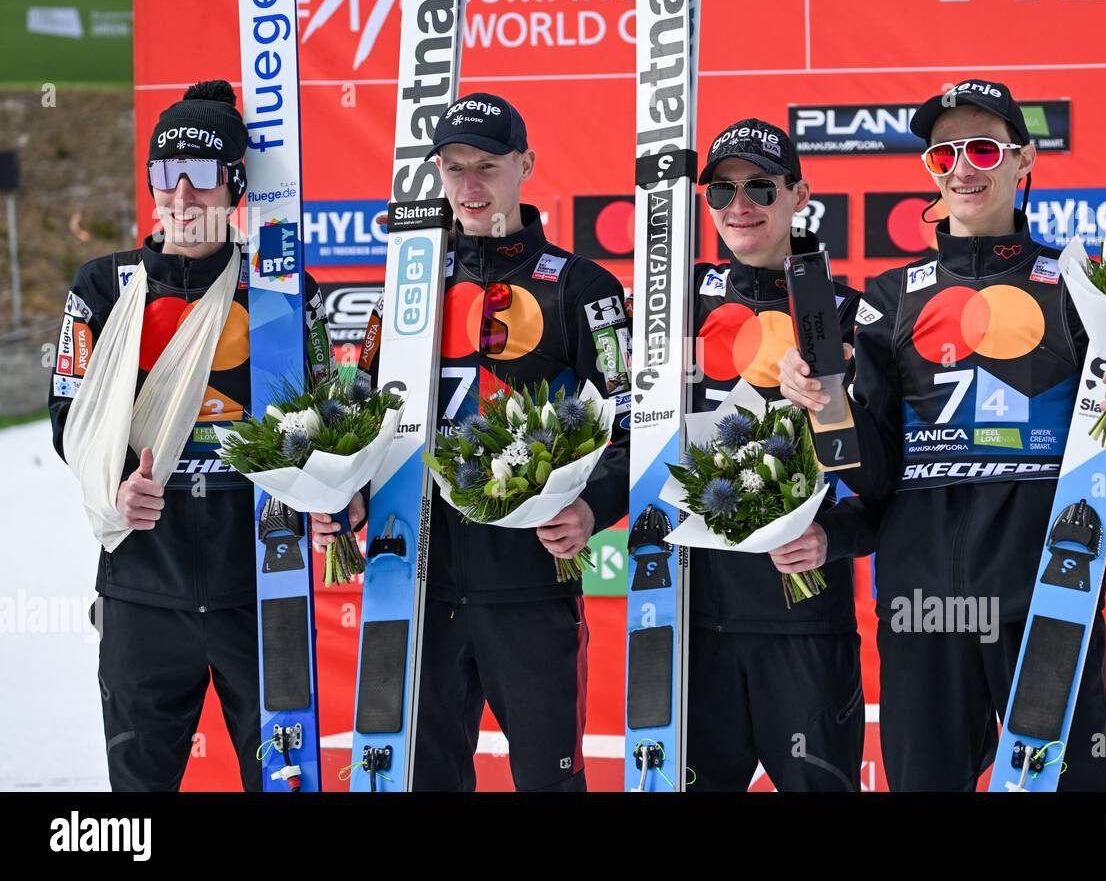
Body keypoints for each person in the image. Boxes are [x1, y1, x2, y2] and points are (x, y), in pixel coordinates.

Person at [779, 80, 1106, 791]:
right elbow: (872, 478)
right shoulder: (889, 298)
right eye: (943, 155)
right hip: (921, 603)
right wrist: (824, 403)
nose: (962, 168)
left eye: (983, 148)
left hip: (1045, 593)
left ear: (1024, 161)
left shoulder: (1086, 288)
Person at [316, 93, 630, 791]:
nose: (471, 186)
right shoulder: (405, 289)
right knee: (424, 779)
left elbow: (634, 421)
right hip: (419, 584)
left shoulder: (581, 288)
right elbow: (359, 418)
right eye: (454, 168)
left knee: (549, 782)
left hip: (529, 585)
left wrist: (592, 509)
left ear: (526, 165)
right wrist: (342, 497)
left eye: (488, 165)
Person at [48, 80, 333, 791]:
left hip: (263, 587)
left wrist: (337, 500)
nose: (180, 195)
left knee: (286, 782)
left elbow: (331, 424)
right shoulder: (104, 288)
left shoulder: (279, 291)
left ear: (234, 184)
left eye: (202, 176)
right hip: (144, 585)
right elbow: (69, 418)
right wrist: (115, 484)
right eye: (163, 174)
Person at [679, 119, 873, 792]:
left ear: (799, 194)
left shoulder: (847, 314)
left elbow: (884, 480)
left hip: (805, 627)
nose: (740, 205)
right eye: (722, 190)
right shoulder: (675, 306)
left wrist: (830, 538)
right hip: (691, 626)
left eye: (761, 186)